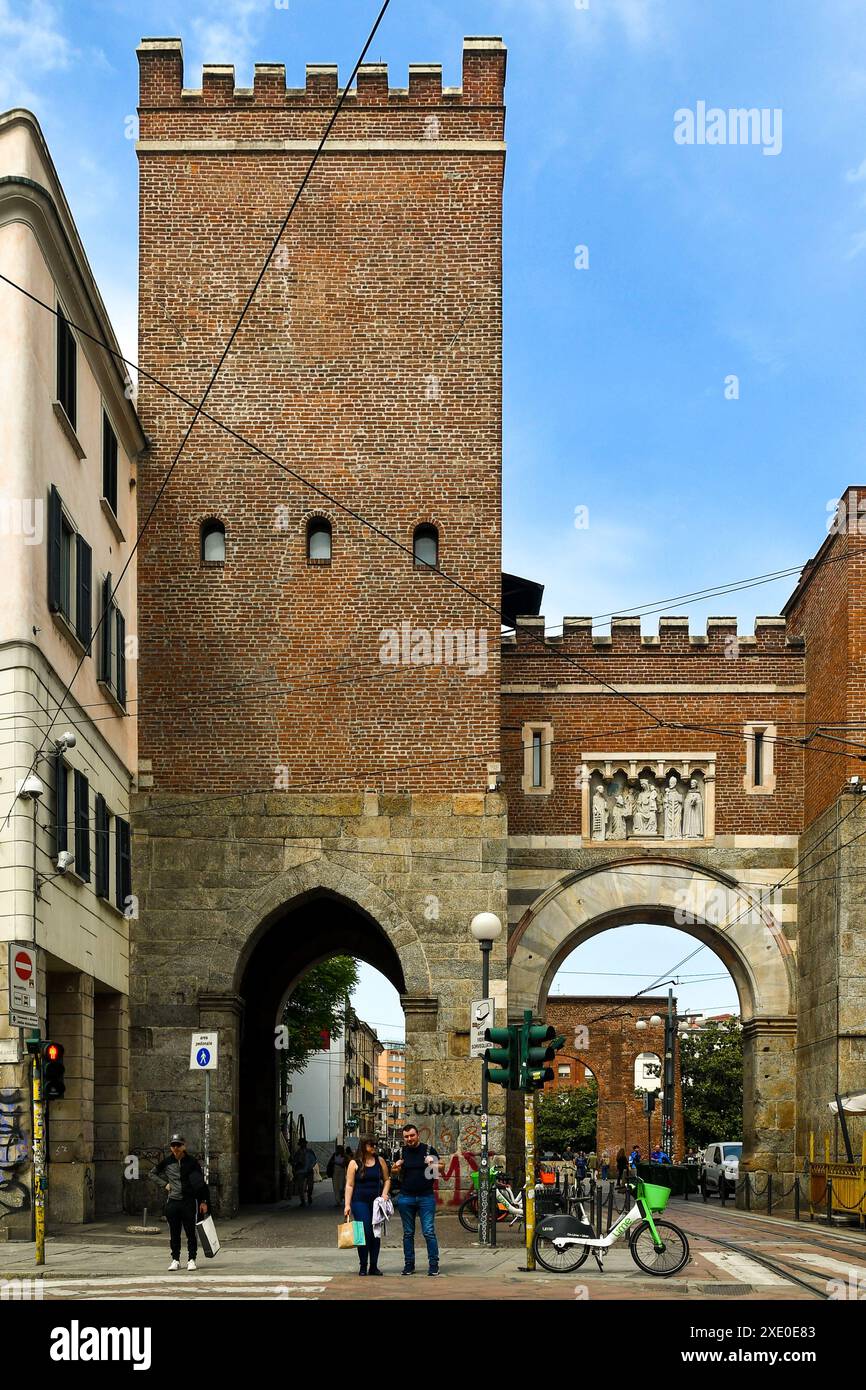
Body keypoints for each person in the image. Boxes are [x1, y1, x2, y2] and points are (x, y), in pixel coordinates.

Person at [152, 1133, 209, 1272]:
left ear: (184, 1146)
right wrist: (164, 1184)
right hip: (173, 1202)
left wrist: (203, 1201)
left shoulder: (192, 1162)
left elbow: (200, 1183)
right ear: (171, 1147)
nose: (176, 1147)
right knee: (174, 1233)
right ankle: (175, 1260)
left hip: (188, 1202)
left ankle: (191, 1259)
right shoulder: (167, 1162)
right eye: (173, 1145)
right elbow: (152, 1173)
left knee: (190, 1232)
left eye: (178, 1145)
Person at [391, 1123, 440, 1276]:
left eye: (412, 1135)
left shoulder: (428, 1150)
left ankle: (433, 1265)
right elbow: (392, 1172)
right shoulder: (400, 1152)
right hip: (406, 1197)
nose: (409, 1139)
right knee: (408, 1233)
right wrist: (396, 1167)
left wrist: (433, 1164)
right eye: (406, 1137)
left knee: (429, 1232)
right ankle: (409, 1265)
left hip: (426, 1196)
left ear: (417, 1134)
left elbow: (438, 1171)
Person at [344, 1135, 391, 1276]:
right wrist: (347, 1204)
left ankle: (374, 1266)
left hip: (376, 1203)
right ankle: (363, 1265)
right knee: (364, 1232)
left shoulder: (380, 1161)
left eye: (375, 1145)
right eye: (372, 1145)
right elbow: (349, 1185)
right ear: (364, 1146)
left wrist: (384, 1193)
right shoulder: (354, 1163)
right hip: (359, 1202)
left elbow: (387, 1179)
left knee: (376, 1234)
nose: (374, 1147)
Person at [292, 1137, 318, 1207]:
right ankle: (302, 1200)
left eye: (304, 1143)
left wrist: (311, 1166)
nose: (303, 1145)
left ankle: (309, 1195)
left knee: (310, 1186)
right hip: (300, 1171)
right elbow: (294, 1161)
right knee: (300, 1187)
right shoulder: (297, 1153)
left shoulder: (310, 1151)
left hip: (309, 1170)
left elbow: (314, 1160)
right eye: (301, 1144)